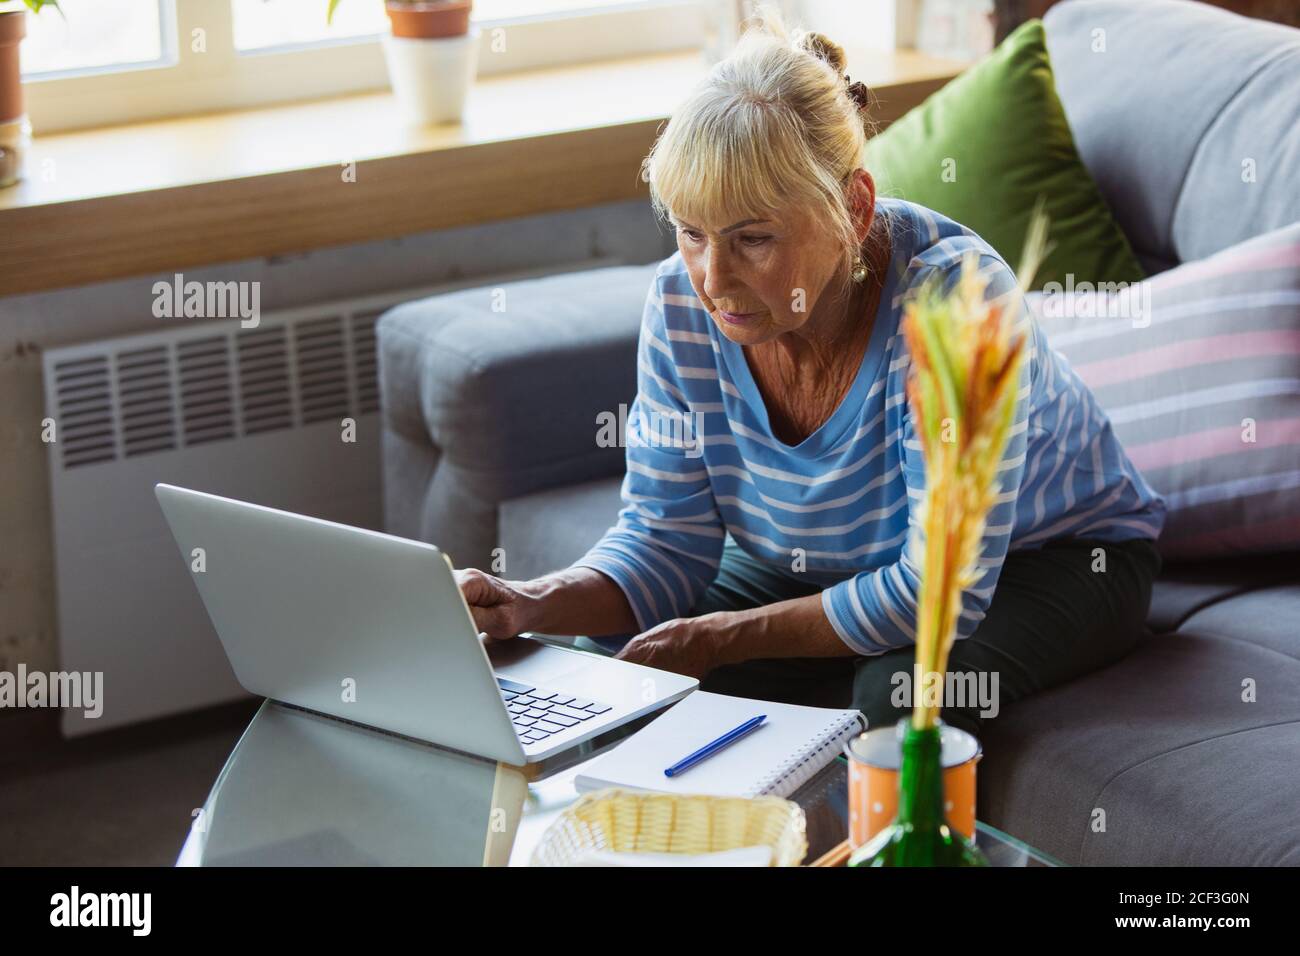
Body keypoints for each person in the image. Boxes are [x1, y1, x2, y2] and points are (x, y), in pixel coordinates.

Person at [455, 13, 1165, 738]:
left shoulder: (954, 303)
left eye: (753, 238)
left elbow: (935, 591)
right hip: (825, 563)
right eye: (691, 231)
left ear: (853, 210)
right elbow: (666, 540)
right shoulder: (678, 302)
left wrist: (727, 637)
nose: (713, 279)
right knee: (605, 662)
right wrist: (528, 601)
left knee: (896, 702)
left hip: (1052, 559)